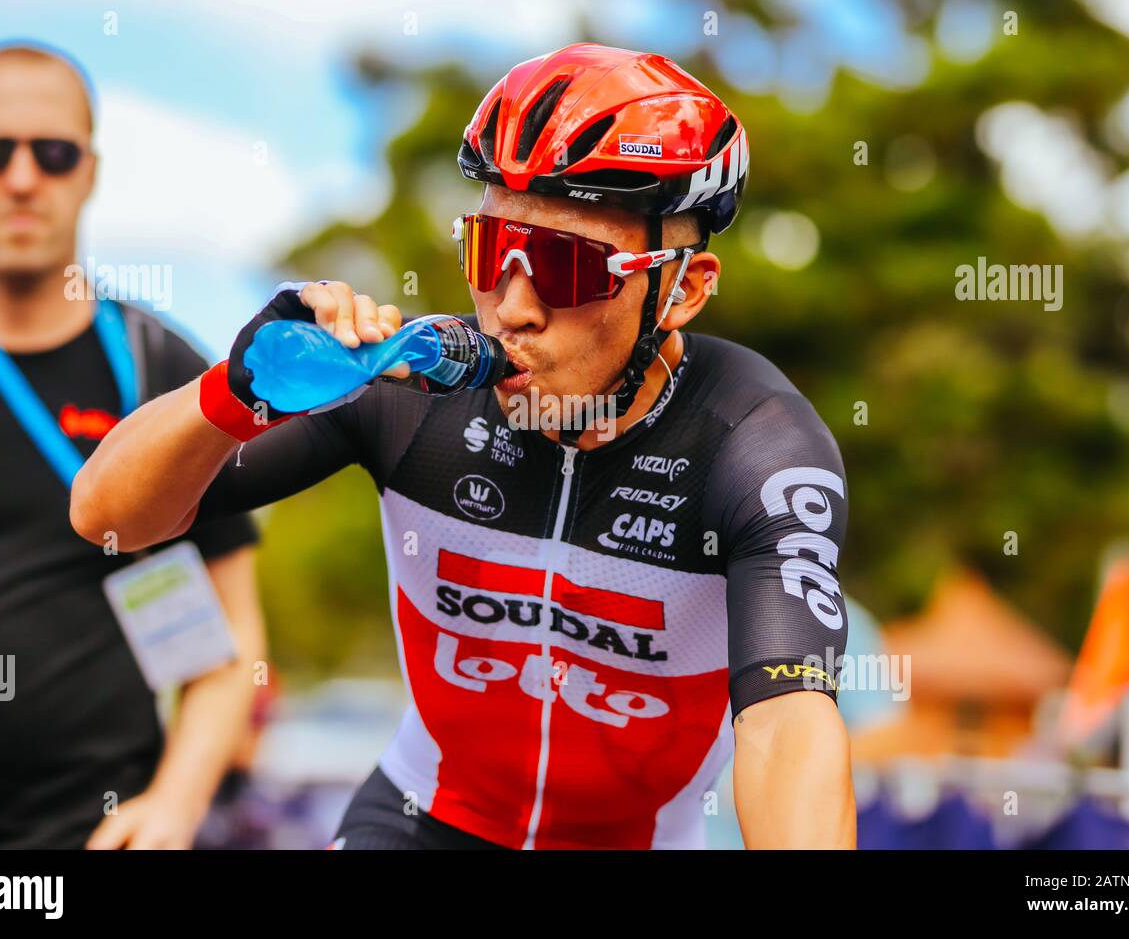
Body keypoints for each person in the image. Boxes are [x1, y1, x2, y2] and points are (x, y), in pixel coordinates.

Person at [72, 43, 855, 849]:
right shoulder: (407, 385)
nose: (510, 307)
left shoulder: (752, 442)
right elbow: (107, 517)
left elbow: (788, 726)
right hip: (421, 821)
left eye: (565, 266)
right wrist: (232, 390)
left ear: (682, 287)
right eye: (490, 252)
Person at [0, 42, 265, 848]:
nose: (24, 178)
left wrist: (174, 811)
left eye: (55, 152)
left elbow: (233, 644)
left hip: (98, 834)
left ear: (90, 170)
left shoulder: (164, 370)